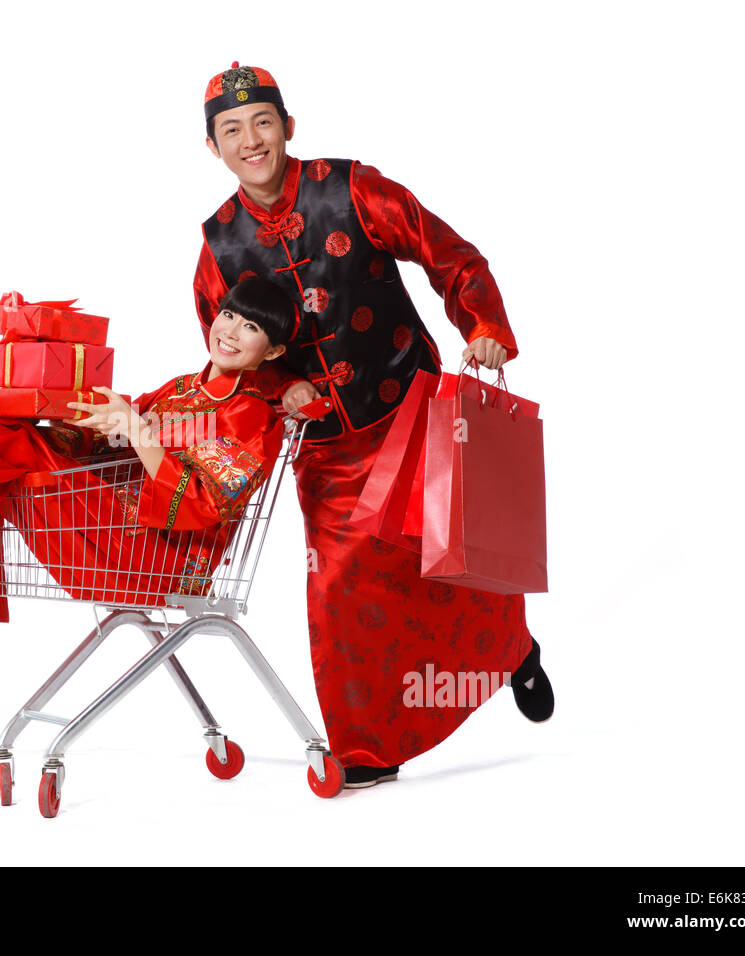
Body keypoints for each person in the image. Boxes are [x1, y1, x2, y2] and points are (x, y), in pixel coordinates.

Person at [194, 63, 554, 788]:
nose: (251, 140)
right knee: (340, 592)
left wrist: (482, 324)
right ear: (214, 149)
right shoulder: (218, 247)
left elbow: (448, 253)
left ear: (288, 126)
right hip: (326, 448)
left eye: (262, 121)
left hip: (414, 411)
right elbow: (225, 350)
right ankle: (363, 747)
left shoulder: (353, 188)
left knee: (455, 559)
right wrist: (282, 383)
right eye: (231, 130)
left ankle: (512, 648)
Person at [0, 275, 298, 622]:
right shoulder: (180, 388)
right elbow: (114, 441)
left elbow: (202, 504)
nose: (232, 332)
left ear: (272, 352)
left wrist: (136, 429)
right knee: (14, 433)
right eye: (230, 315)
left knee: (20, 451)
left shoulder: (252, 416)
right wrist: (60, 410)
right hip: (116, 528)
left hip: (159, 560)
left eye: (251, 328)